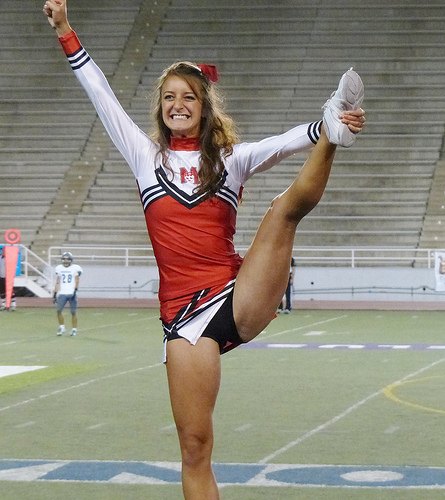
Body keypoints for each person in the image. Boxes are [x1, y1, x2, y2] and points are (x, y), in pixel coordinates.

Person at [43, 2, 365, 497]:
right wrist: (66, 30)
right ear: (160, 105)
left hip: (237, 295)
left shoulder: (232, 161)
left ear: (204, 104)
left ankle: (337, 131)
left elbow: (285, 142)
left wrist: (326, 127)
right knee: (194, 446)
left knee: (284, 209)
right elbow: (101, 94)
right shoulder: (144, 158)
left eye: (188, 97)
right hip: (183, 318)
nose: (178, 104)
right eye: (170, 97)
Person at [53, 251, 82, 336]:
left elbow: (77, 280)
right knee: (58, 310)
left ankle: (74, 329)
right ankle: (62, 327)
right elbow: (58, 281)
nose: (65, 261)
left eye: (67, 259)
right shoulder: (59, 268)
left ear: (71, 260)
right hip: (62, 293)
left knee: (73, 312)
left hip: (71, 292)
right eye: (64, 259)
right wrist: (55, 293)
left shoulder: (75, 268)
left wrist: (75, 290)